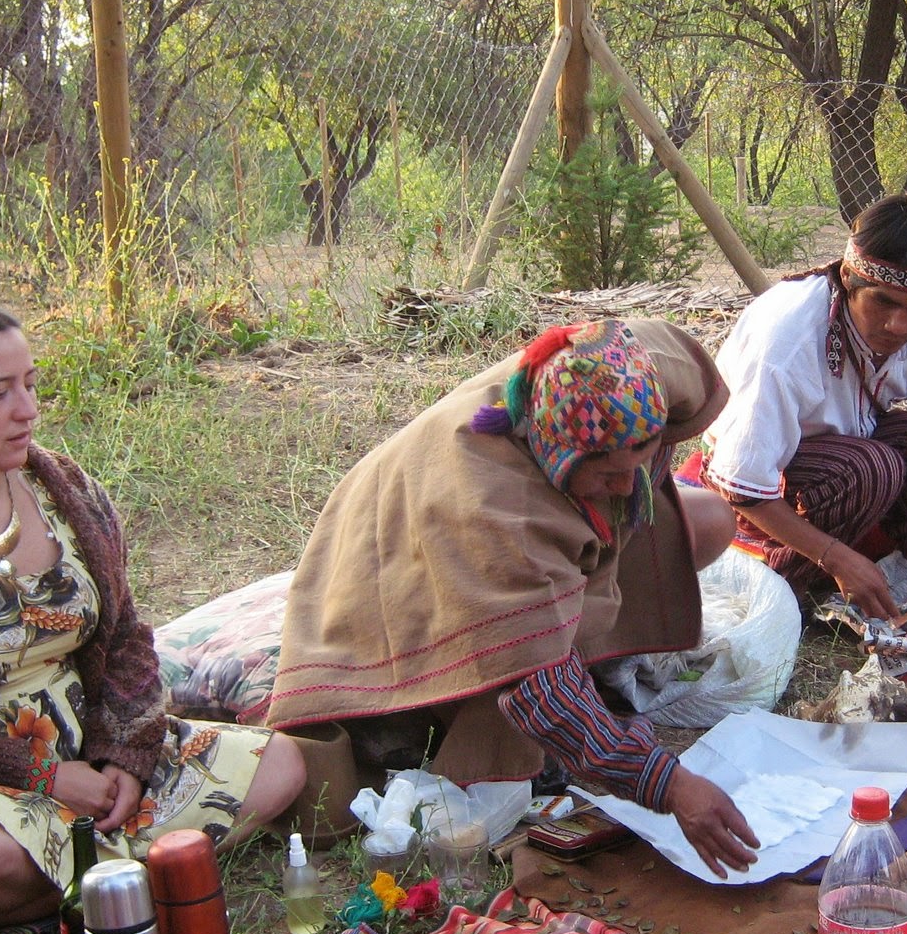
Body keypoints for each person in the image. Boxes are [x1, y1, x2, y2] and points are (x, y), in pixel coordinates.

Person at [0, 294, 306, 934]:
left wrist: (126, 756)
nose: (27, 409)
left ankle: (45, 896)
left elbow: (126, 641)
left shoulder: (69, 493)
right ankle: (114, 872)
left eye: (30, 385)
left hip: (93, 761)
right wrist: (43, 776)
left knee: (281, 764)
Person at [267, 319, 760, 878]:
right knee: (517, 701)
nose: (628, 487)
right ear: (556, 455)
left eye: (641, 456)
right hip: (384, 558)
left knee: (710, 520)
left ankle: (570, 630)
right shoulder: (497, 514)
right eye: (606, 473)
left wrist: (632, 464)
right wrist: (669, 785)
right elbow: (541, 689)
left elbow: (686, 397)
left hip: (491, 518)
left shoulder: (646, 366)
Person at [697, 195, 907, 621]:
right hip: (759, 489)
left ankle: (903, 563)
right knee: (872, 468)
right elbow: (742, 484)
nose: (899, 325)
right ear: (847, 278)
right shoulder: (786, 338)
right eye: (883, 302)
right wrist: (834, 557)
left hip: (853, 462)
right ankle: (792, 576)